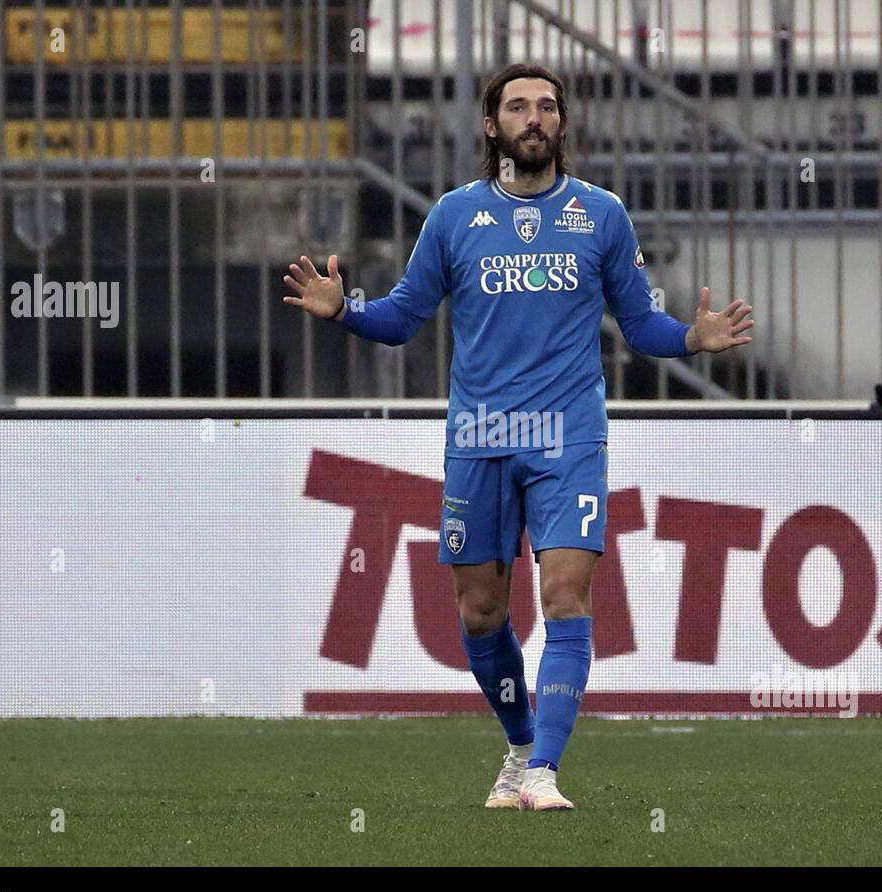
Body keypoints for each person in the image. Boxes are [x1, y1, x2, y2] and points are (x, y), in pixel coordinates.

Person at [284, 63, 754, 811]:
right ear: (490, 125)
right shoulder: (453, 216)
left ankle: (545, 771)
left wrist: (692, 337)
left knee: (566, 597)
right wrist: (345, 311)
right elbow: (405, 317)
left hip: (569, 436)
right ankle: (518, 744)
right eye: (518, 107)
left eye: (547, 107)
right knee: (481, 613)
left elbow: (641, 325)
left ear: (562, 125)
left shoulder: (600, 215)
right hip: (479, 438)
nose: (534, 118)